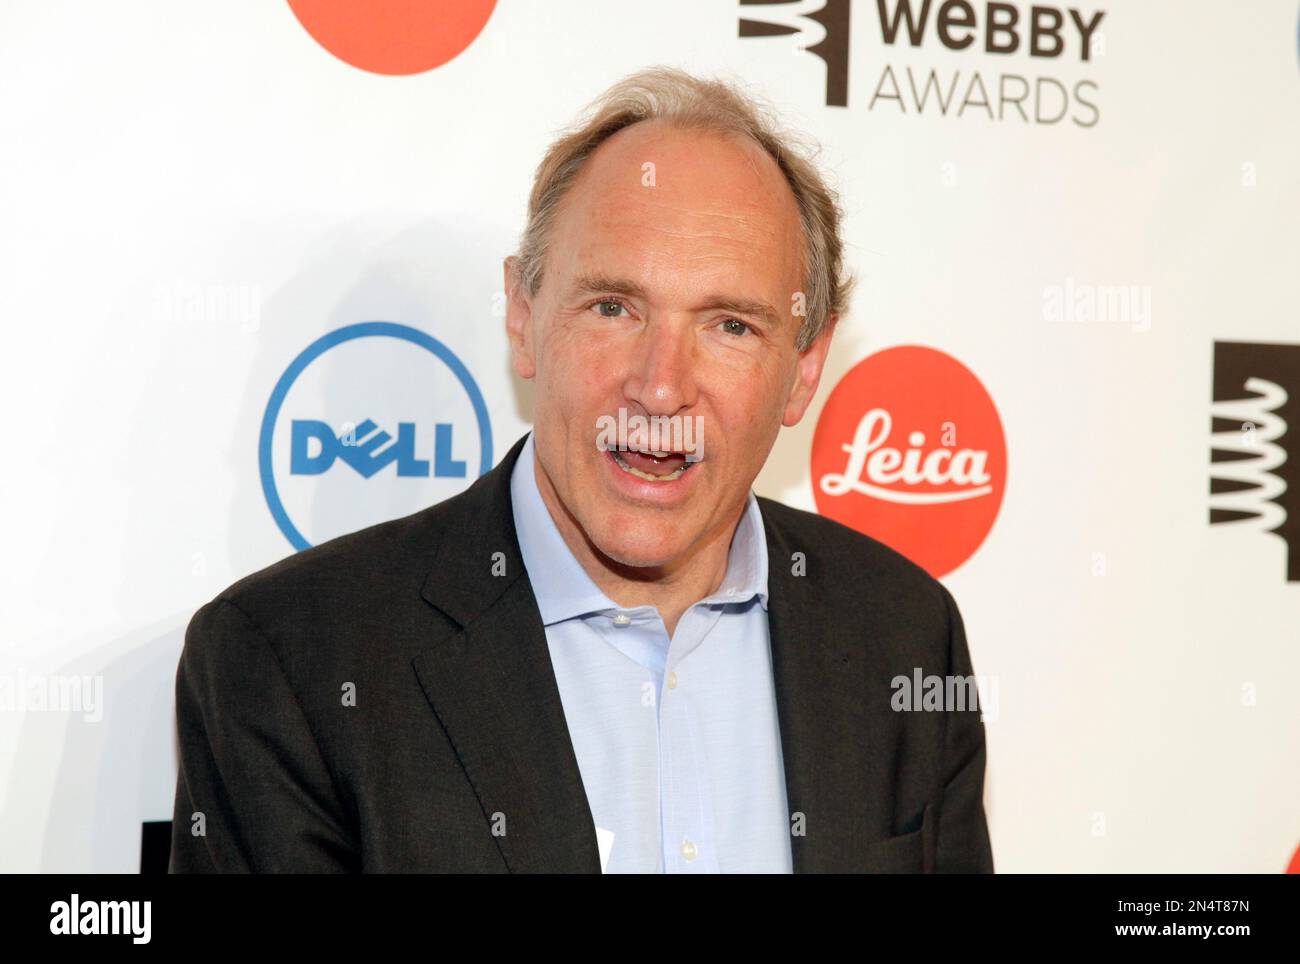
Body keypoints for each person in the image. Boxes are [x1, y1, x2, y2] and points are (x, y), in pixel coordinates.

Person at [168, 65, 994, 873]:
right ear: (523, 319)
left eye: (731, 325)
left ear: (804, 372)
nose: (660, 384)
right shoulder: (292, 665)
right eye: (612, 308)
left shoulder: (905, 639)